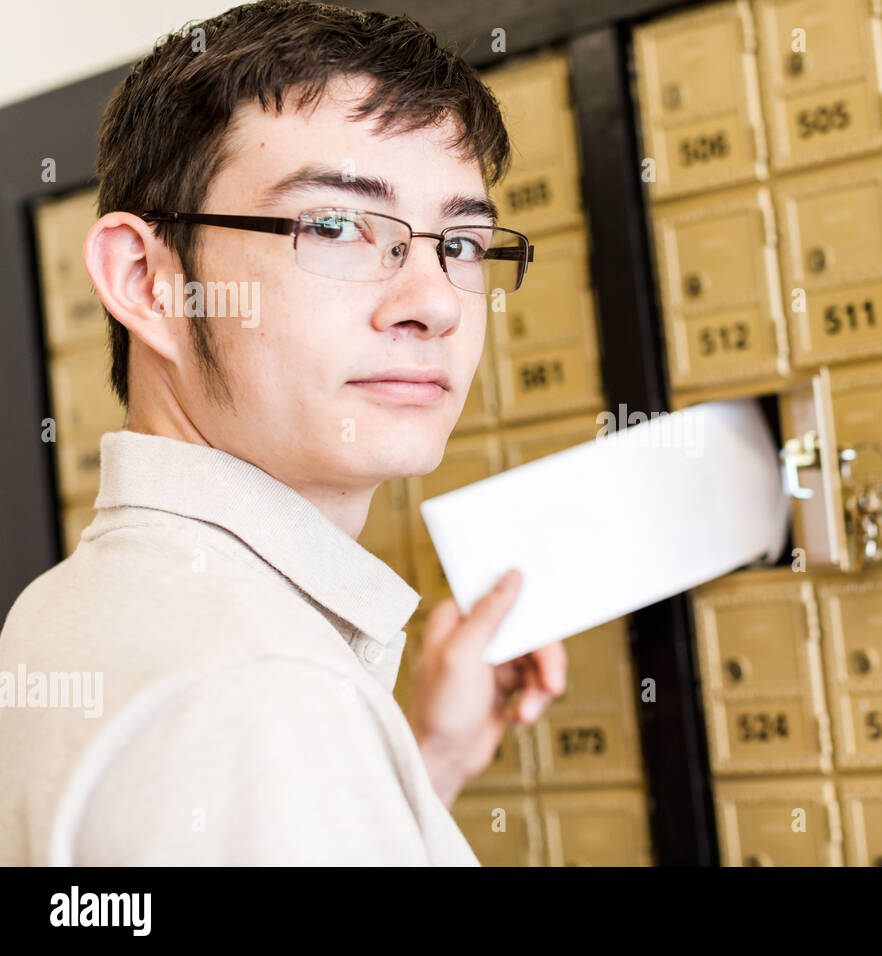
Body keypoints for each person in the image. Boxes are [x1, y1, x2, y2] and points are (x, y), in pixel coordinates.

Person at [0, 0, 565, 865]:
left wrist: (424, 757)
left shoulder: (72, 614)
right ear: (148, 280)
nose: (433, 303)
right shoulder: (256, 693)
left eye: (460, 242)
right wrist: (304, 720)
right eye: (334, 226)